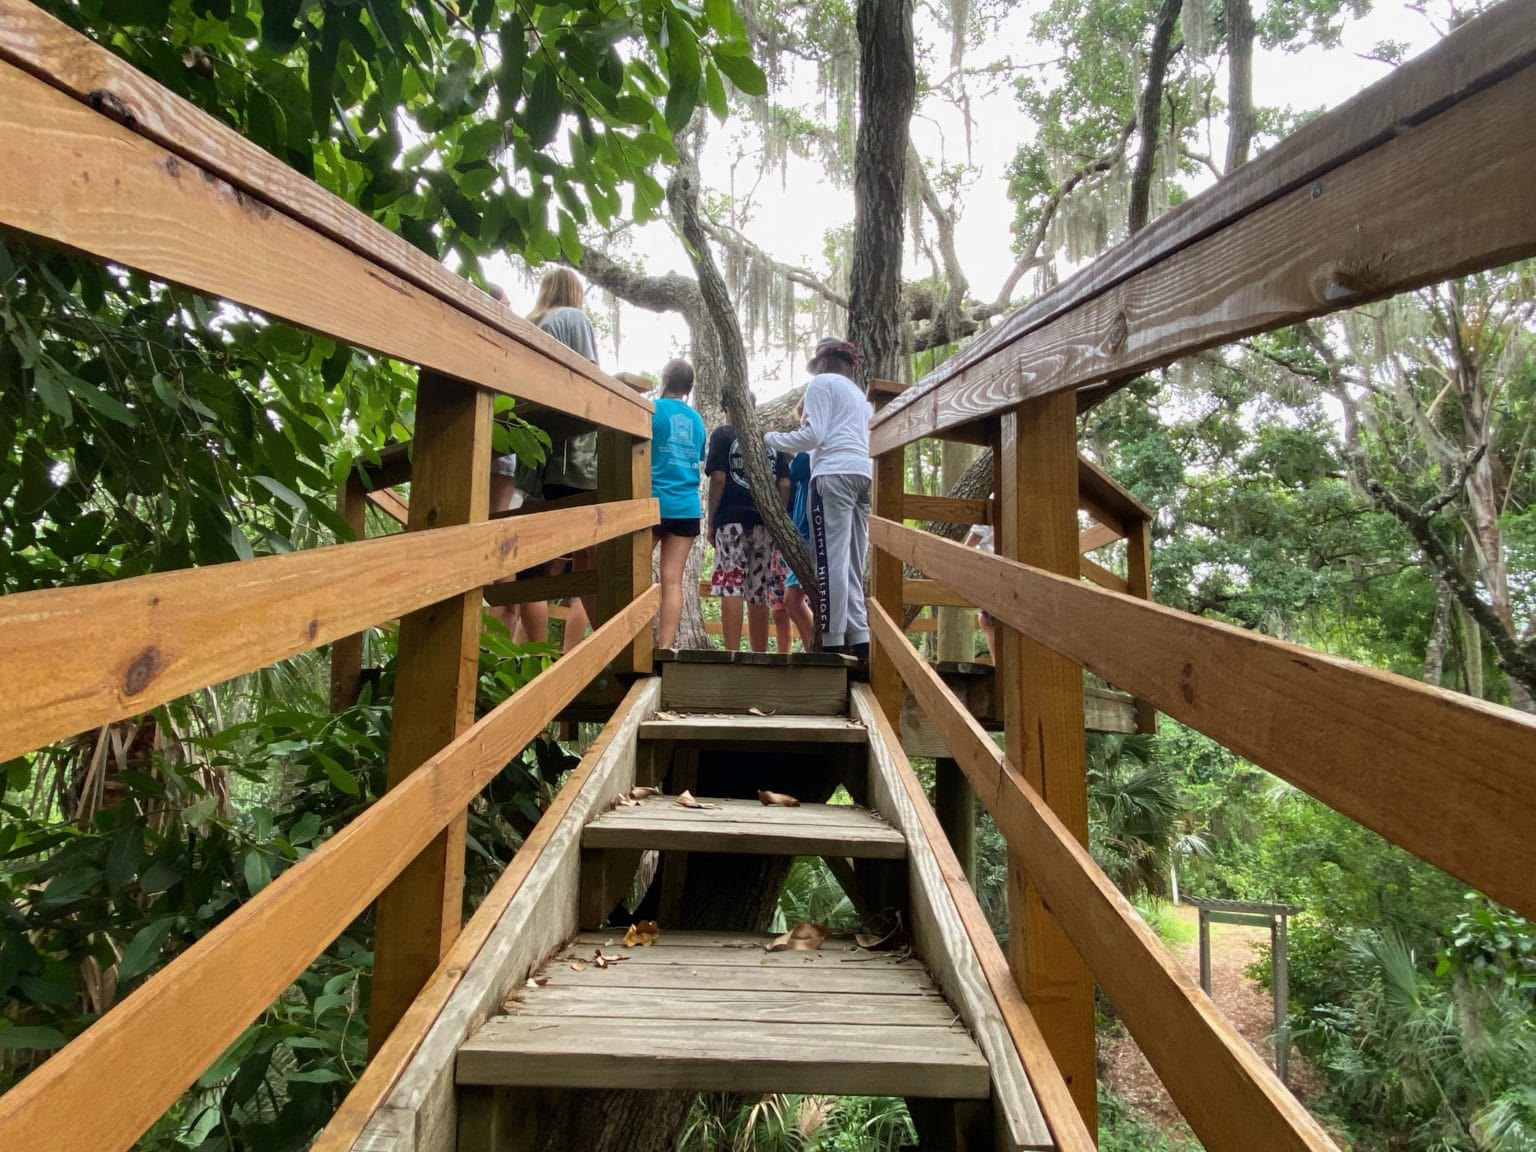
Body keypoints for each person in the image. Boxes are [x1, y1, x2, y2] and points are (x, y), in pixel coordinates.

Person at [764, 338, 871, 659]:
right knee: (853, 561)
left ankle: (833, 641)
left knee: (830, 559)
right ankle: (861, 638)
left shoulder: (821, 384)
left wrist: (770, 437)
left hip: (833, 474)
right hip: (864, 474)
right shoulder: (859, 396)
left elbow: (813, 435)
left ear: (822, 364)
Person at [522, 268, 599, 649]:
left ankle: (533, 658)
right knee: (594, 559)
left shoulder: (531, 323)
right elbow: (590, 378)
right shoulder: (572, 318)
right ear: (573, 293)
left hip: (538, 461)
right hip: (573, 460)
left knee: (537, 567)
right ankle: (613, 649)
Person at [706, 398, 790, 652]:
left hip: (730, 520)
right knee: (758, 589)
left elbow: (718, 478)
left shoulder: (723, 434)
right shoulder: (770, 440)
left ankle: (732, 654)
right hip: (764, 522)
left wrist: (711, 520)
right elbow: (784, 484)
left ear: (727, 408)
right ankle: (759, 656)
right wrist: (777, 518)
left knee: (730, 584)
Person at [650, 359, 708, 650]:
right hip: (687, 506)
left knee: (634, 575)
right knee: (672, 581)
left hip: (654, 503)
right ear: (689, 388)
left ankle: (634, 642)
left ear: (665, 380)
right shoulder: (697, 421)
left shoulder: (652, 410)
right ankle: (665, 648)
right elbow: (697, 458)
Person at [777, 447, 817, 650]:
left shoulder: (810, 452)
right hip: (802, 531)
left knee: (793, 600)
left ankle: (816, 652)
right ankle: (813, 650)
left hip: (809, 533)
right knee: (792, 602)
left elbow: (797, 466)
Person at [962, 521, 998, 663]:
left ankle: (998, 667)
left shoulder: (989, 511)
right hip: (996, 572)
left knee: (988, 620)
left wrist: (961, 553)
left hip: (994, 573)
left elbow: (977, 535)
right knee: (986, 620)